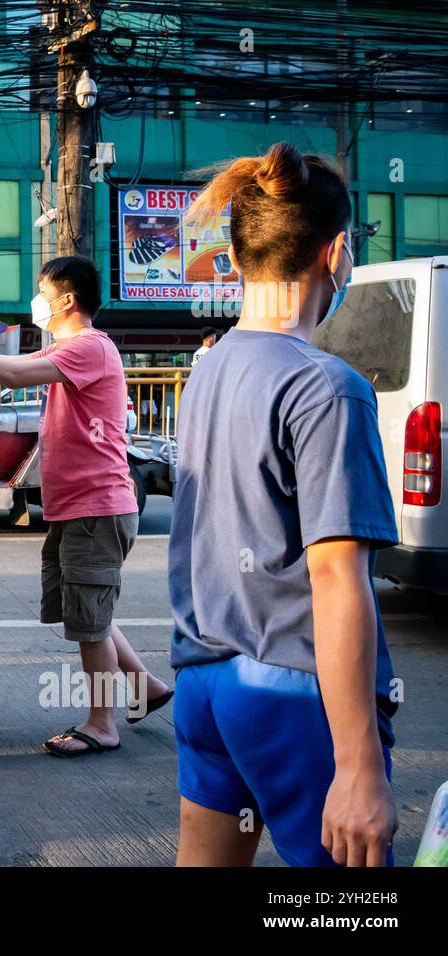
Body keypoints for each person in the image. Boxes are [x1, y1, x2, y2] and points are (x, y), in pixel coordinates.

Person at [170, 142, 399, 867]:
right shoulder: (327, 388)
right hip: (295, 699)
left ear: (237, 261)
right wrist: (359, 766)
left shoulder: (207, 372)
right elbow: (336, 579)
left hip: (205, 683)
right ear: (336, 255)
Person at [0, 256, 171, 756]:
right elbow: (13, 378)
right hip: (79, 507)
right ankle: (146, 687)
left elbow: (11, 371)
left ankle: (101, 724)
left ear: (67, 299)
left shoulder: (90, 346)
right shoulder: (67, 350)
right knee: (92, 608)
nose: (37, 302)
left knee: (90, 619)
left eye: (43, 292)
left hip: (97, 507)